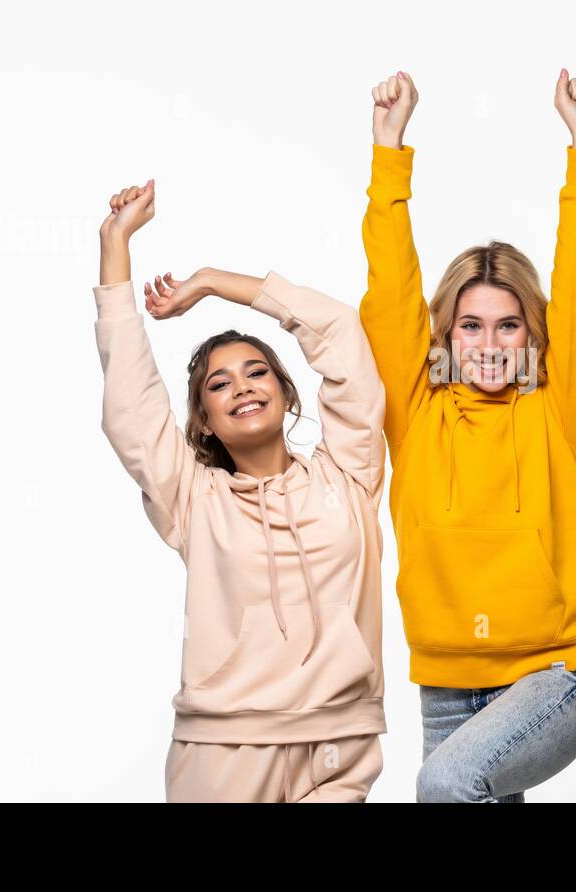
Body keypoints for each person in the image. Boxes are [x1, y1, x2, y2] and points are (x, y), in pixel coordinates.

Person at [359, 69, 576, 802]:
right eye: (471, 325)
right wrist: (388, 149)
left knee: (445, 782)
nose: (490, 342)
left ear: (532, 332)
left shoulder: (556, 412)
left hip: (554, 674)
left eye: (509, 324)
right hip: (445, 682)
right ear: (447, 333)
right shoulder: (417, 410)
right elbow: (390, 287)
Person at [93, 178, 387, 802]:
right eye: (219, 385)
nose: (244, 388)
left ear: (286, 392)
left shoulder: (349, 475)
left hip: (339, 747)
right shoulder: (193, 499)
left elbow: (338, 331)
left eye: (257, 372)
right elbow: (131, 404)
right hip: (221, 753)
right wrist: (116, 243)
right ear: (202, 417)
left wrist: (210, 281)